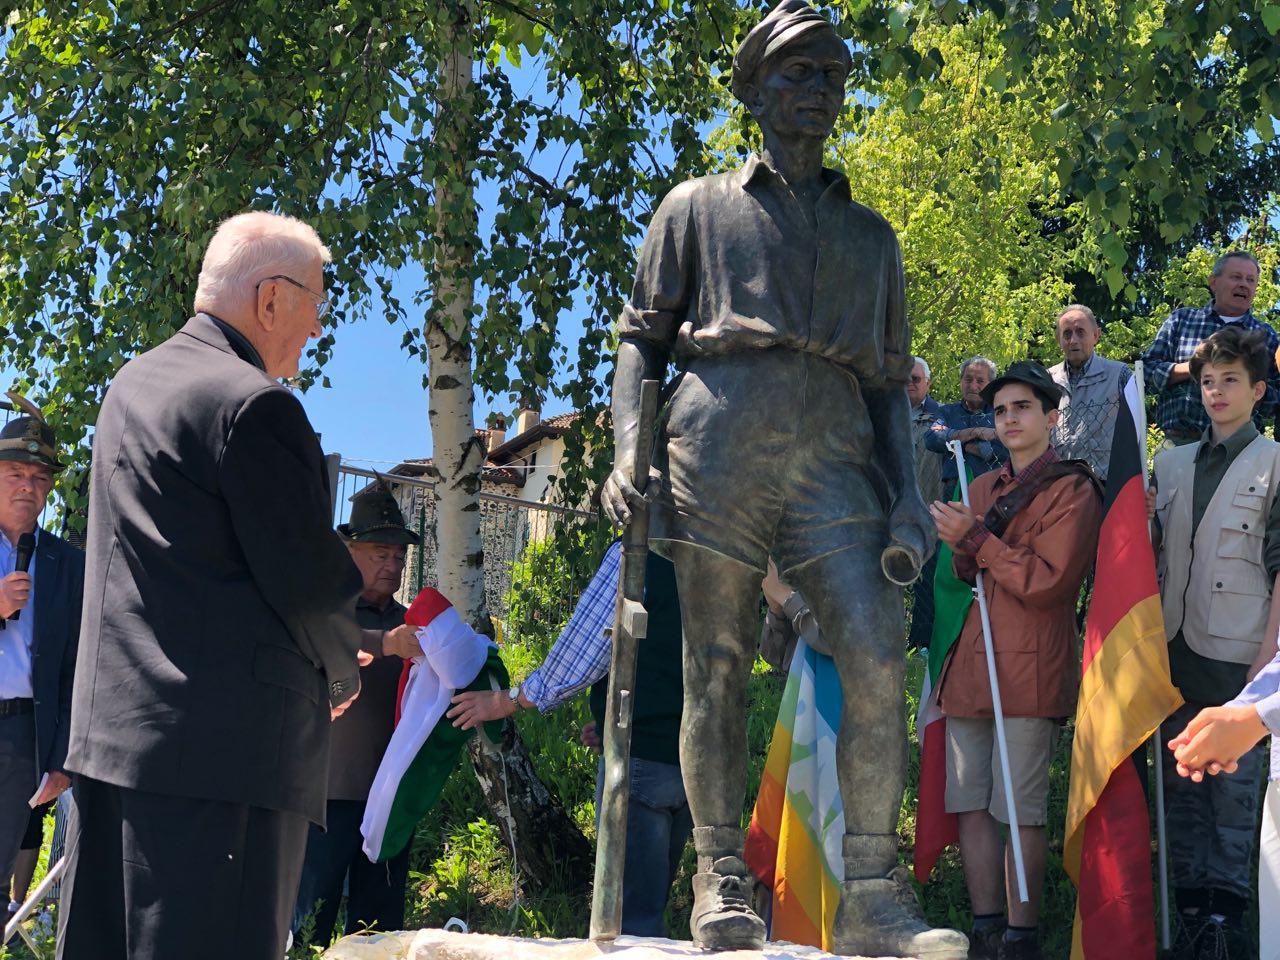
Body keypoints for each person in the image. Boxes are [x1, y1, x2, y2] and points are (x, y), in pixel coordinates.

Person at [600, 2, 966, 955]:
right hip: (715, 446)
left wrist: (907, 491)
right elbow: (640, 342)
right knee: (714, 665)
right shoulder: (695, 208)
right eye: (799, 72)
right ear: (754, 90)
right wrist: (628, 450)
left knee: (877, 655)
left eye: (833, 75)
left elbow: (889, 382)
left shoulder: (873, 239)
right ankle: (720, 876)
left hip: (837, 458)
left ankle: (873, 895)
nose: (819, 91)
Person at [58, 211, 387, 960]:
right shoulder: (255, 405)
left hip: (113, 751)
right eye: (315, 306)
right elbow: (311, 583)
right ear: (270, 299)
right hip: (224, 769)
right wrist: (342, 669)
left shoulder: (130, 387)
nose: (316, 329)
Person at [929, 360, 1102, 960]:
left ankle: (1022, 938)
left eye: (1023, 407)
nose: (1009, 418)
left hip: (1029, 669)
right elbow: (962, 574)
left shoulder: (1073, 490)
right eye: (1000, 410)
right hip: (971, 667)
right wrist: (962, 544)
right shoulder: (979, 488)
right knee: (970, 804)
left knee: (1019, 808)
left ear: (1051, 417)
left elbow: (1049, 581)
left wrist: (976, 539)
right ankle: (985, 931)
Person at [447, 540, 689, 939]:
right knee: (650, 905)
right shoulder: (714, 554)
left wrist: (506, 701)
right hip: (695, 762)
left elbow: (581, 655)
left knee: (629, 924)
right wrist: (611, 719)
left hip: (640, 758)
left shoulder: (639, 552)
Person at [1147, 325, 1280, 958]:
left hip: (1241, 660)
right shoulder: (1169, 464)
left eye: (1231, 380)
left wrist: (1267, 659)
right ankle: (1191, 919)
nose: (1217, 391)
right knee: (1181, 794)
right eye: (1207, 381)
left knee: (1234, 796)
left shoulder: (1276, 462)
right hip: (1174, 658)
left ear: (1258, 391)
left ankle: (1226, 927)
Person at [292, 483, 423, 947]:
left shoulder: (413, 623)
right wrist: (386, 644)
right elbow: (324, 640)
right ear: (350, 552)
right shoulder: (325, 610)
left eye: (400, 556)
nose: (393, 565)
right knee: (310, 920)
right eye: (381, 554)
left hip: (390, 795)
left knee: (380, 928)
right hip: (326, 795)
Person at [0, 401, 82, 919]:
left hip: (21, 737)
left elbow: (77, 668)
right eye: (14, 473)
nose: (27, 486)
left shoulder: (65, 563)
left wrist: (62, 758)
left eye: (39, 477)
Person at [1141, 251, 1280, 445]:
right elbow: (1144, 373)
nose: (1244, 284)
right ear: (1213, 282)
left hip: (1241, 447)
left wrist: (1243, 385)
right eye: (1236, 277)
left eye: (1250, 280)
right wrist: (1193, 367)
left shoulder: (1267, 336)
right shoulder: (1182, 320)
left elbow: (1275, 399)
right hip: (1179, 442)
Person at [1047, 305, 1132, 482]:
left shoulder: (1119, 375)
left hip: (1107, 484)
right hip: (1058, 484)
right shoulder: (1048, 380)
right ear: (1058, 340)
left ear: (1096, 335)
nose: (1073, 340)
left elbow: (1136, 433)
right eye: (1067, 334)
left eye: (1080, 332)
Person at [925, 357, 1008, 490]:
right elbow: (931, 439)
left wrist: (957, 443)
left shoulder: (1002, 412)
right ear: (961, 381)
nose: (973, 386)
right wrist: (976, 433)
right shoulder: (947, 412)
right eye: (968, 380)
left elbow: (1007, 450)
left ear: (992, 385)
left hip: (994, 487)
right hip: (954, 490)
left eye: (980, 381)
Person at [908, 357, 944, 651]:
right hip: (889, 512)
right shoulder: (886, 415)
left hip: (929, 511)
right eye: (904, 379)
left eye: (916, 379)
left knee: (926, 583)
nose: (909, 384)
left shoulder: (940, 418)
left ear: (928, 383)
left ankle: (920, 646)